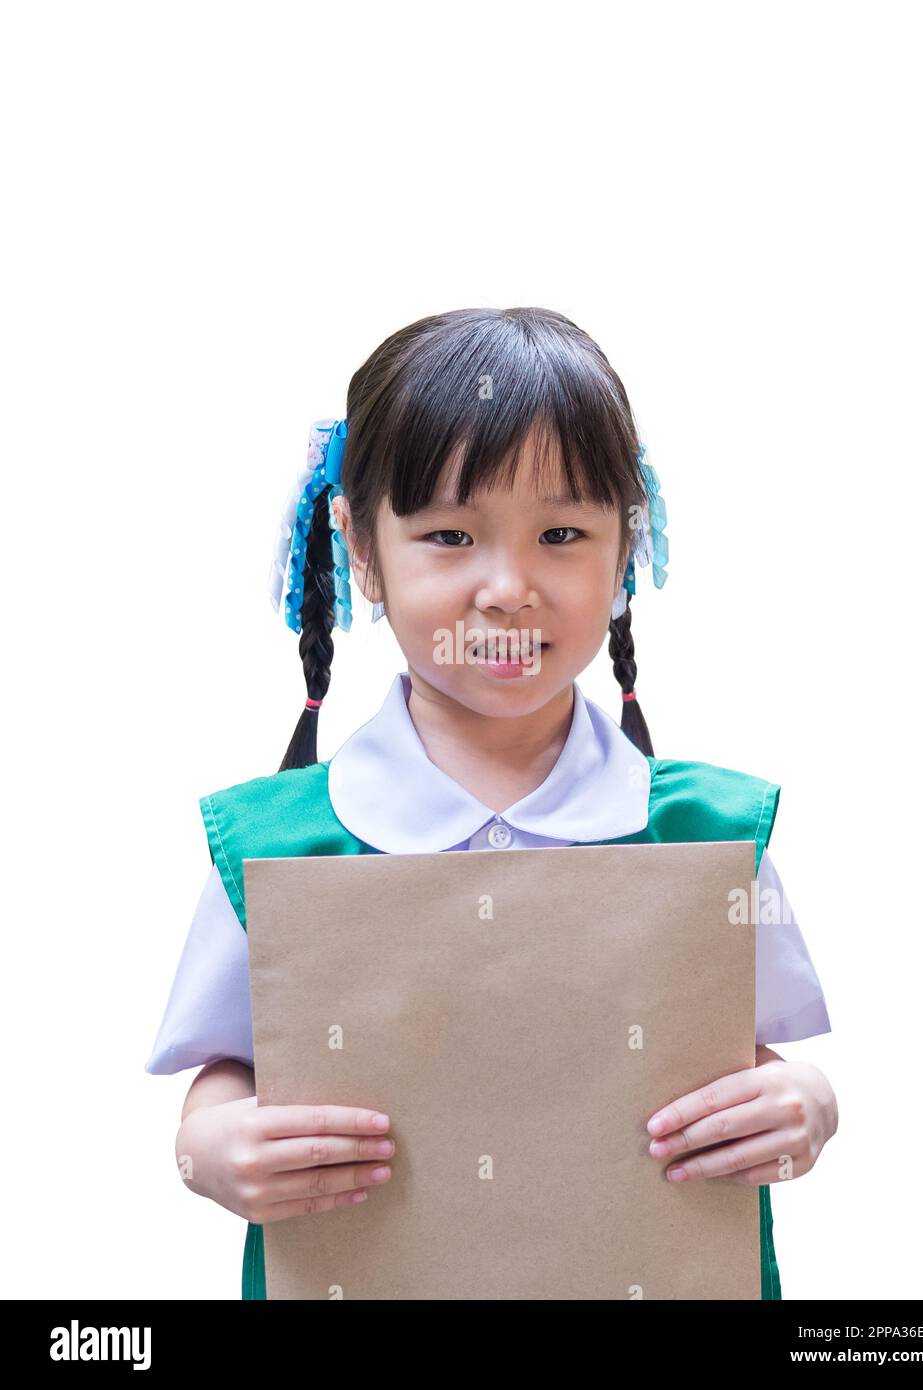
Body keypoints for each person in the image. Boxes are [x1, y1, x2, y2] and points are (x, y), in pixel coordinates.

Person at [146, 306, 838, 1300]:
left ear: (626, 543)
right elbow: (228, 1063)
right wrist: (209, 1145)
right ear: (362, 547)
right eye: (449, 535)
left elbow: (750, 1059)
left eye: (562, 532)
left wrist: (806, 1104)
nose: (508, 587)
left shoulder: (709, 836)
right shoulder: (271, 847)